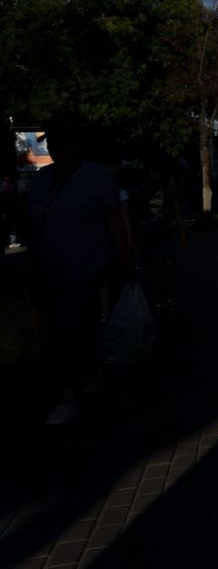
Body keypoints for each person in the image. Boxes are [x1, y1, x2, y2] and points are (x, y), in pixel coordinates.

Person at [26, 117, 135, 425]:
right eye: (52, 142)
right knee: (65, 331)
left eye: (62, 142)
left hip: (85, 269)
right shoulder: (41, 179)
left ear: (78, 146)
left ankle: (70, 395)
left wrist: (125, 258)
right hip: (47, 268)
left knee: (70, 330)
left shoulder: (96, 177)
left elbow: (115, 220)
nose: (55, 148)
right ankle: (87, 372)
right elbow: (32, 222)